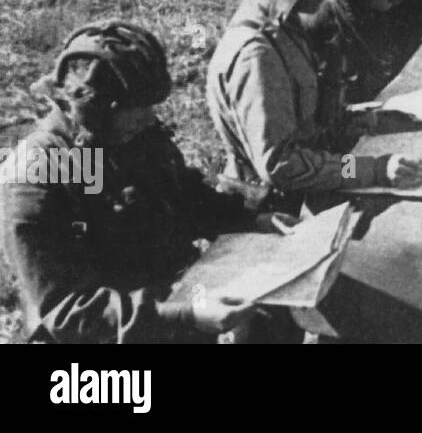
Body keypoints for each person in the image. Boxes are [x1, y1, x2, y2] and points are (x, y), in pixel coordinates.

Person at [1, 20, 272, 343]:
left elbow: (182, 198)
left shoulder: (126, 137)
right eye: (137, 109)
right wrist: (187, 315)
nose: (150, 118)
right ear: (97, 109)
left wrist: (251, 219)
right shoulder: (44, 172)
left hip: (170, 314)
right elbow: (67, 312)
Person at [206, 0, 422, 209]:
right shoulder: (257, 55)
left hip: (304, 186)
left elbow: (308, 125)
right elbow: (281, 166)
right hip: (276, 209)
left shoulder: (283, 27)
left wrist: (360, 120)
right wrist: (373, 169)